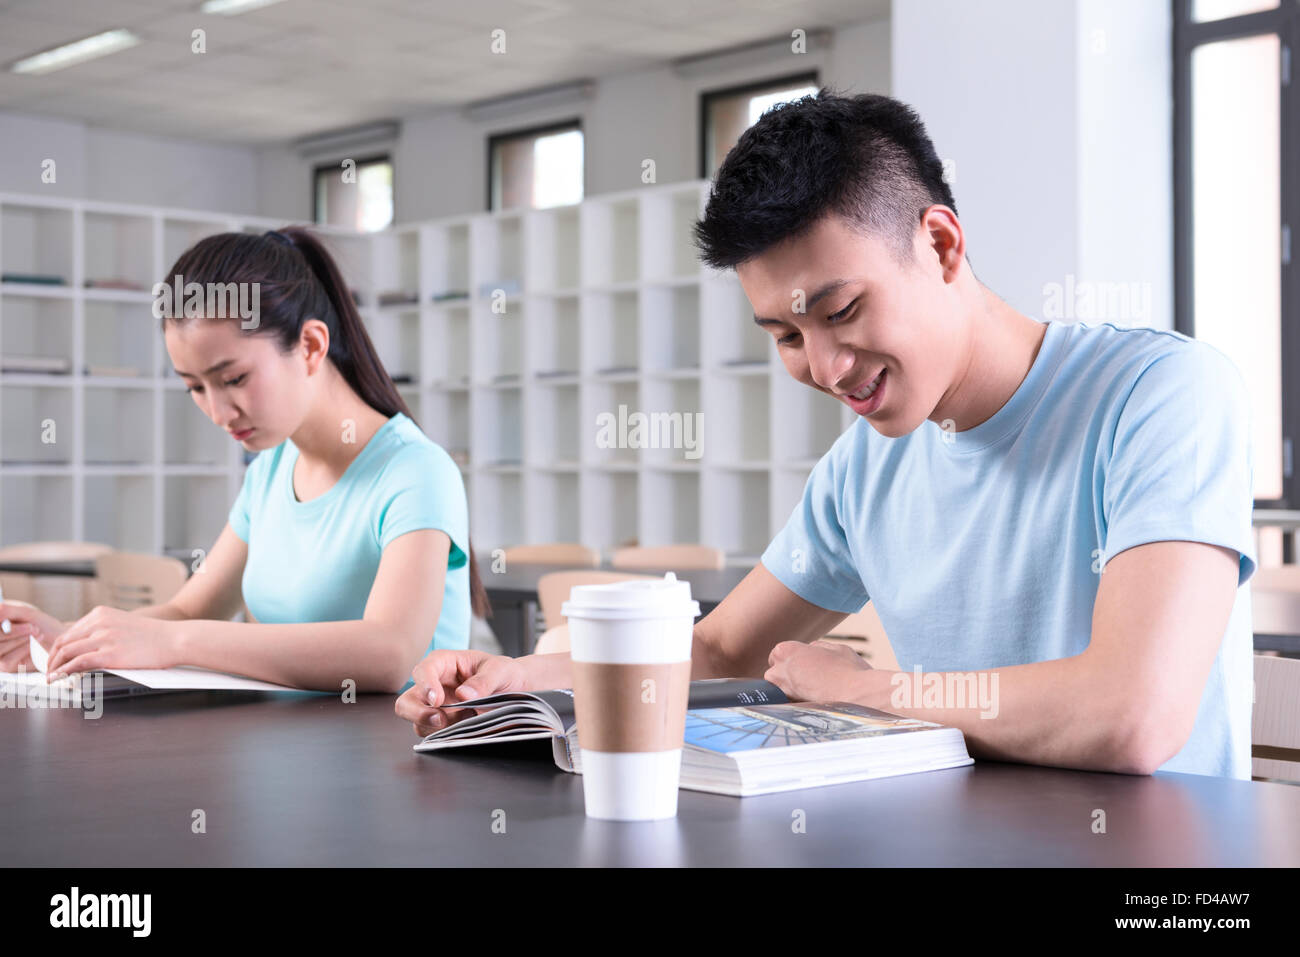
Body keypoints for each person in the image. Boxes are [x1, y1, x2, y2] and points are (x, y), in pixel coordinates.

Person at [396, 89, 1255, 777]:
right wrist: (522, 680)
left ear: (942, 244)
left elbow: (1131, 714)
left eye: (842, 310)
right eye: (785, 336)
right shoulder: (866, 465)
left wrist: (870, 691)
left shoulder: (1161, 395)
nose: (827, 366)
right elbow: (718, 647)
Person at [0, 226, 489, 693]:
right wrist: (63, 637)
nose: (217, 411)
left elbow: (389, 653)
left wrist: (174, 643)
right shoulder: (271, 470)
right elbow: (191, 612)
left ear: (311, 346)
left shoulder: (416, 472)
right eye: (195, 387)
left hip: (391, 768)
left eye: (233, 379)